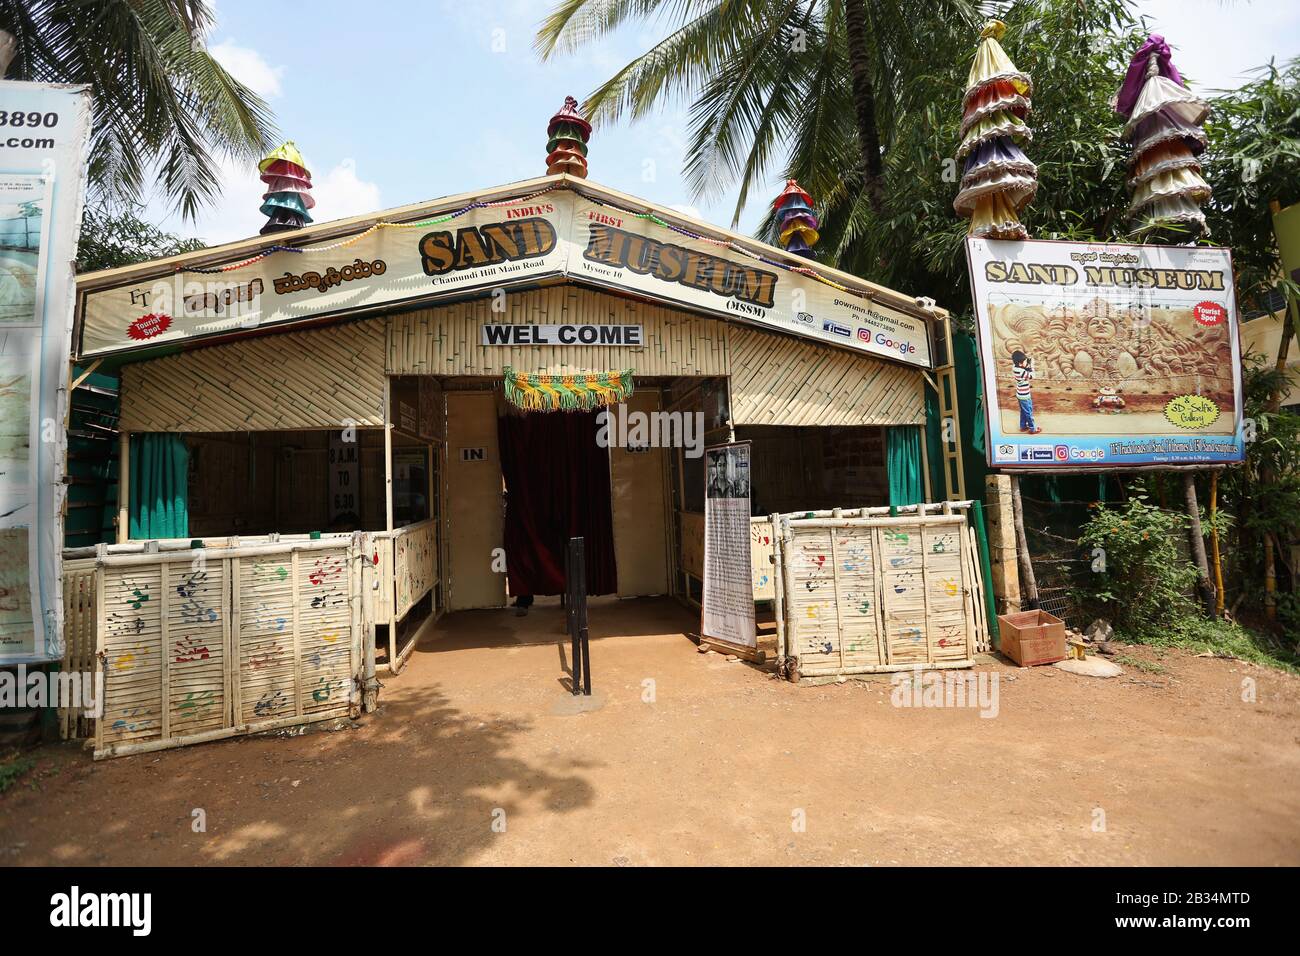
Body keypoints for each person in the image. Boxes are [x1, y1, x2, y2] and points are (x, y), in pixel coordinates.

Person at [1011, 349, 1041, 434]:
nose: (1026, 362)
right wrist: (1032, 366)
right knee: (1029, 412)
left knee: (1023, 411)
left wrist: (1026, 362)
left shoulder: (1015, 367)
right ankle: (1033, 429)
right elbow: (1032, 376)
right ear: (1020, 363)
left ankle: (1023, 426)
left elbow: (1023, 366)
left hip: (1020, 394)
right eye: (1024, 361)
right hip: (1024, 395)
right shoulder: (1022, 372)